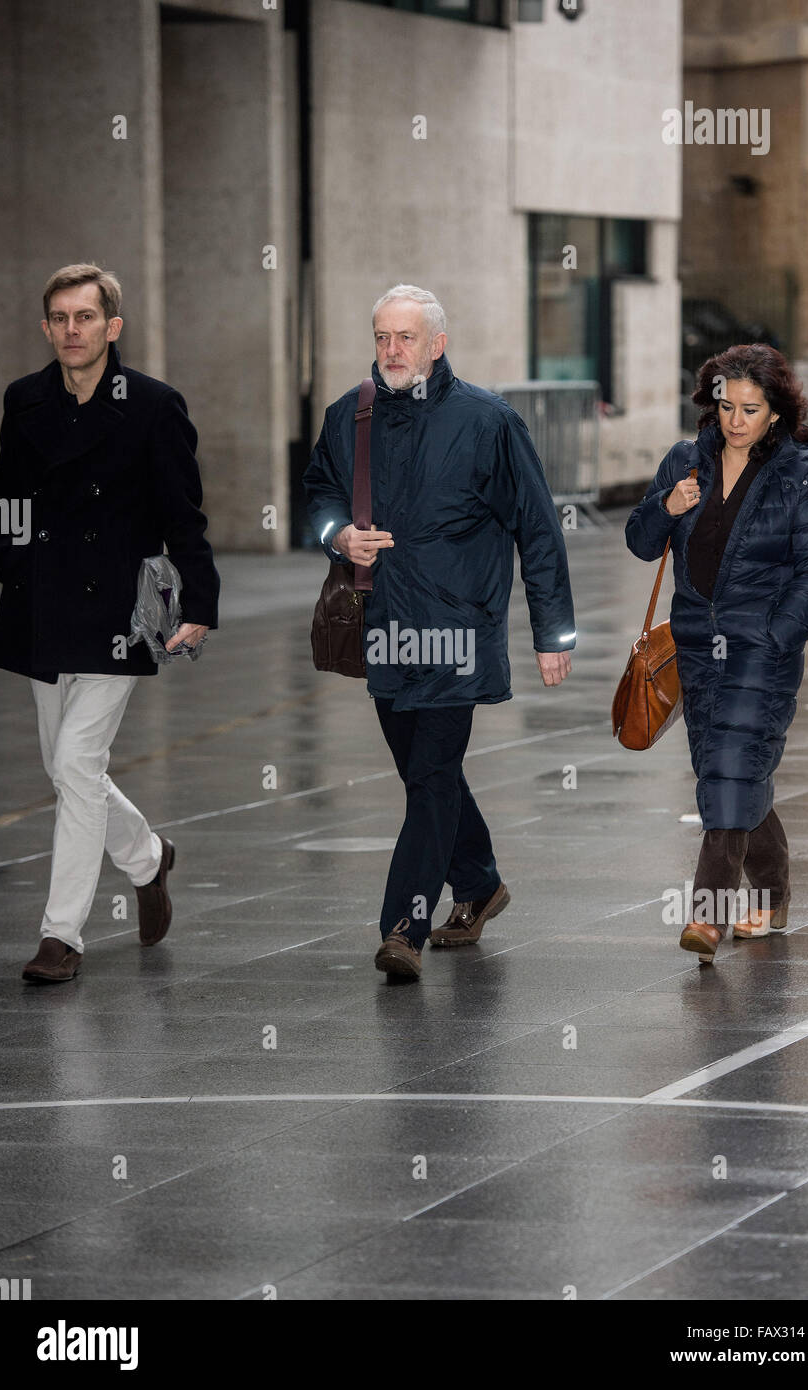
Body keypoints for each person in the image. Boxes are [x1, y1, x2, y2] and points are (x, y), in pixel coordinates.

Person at [304, 284, 575, 980]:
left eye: (406, 338)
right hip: (384, 628)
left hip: (460, 631)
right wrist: (340, 536)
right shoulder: (349, 416)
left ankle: (403, 927)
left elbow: (538, 529)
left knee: (428, 777)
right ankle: (480, 883)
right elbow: (319, 491)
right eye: (381, 338)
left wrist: (554, 634)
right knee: (427, 773)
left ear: (438, 344)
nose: (392, 352)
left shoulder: (489, 421)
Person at [0, 263, 220, 983]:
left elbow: (185, 513)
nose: (70, 331)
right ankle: (150, 859)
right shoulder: (25, 399)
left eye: (84, 317)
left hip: (119, 611)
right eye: (58, 318)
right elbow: (6, 494)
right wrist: (9, 562)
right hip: (42, 604)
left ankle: (62, 937)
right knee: (68, 769)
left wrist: (199, 607)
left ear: (112, 326)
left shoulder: (153, 405)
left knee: (77, 765)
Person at [626, 344, 808, 963]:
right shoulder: (685, 461)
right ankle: (772, 895)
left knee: (730, 770)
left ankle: (707, 915)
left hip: (761, 650)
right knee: (731, 774)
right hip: (695, 645)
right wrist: (667, 507)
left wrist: (780, 634)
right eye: (727, 405)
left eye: (751, 408)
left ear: (776, 414)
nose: (736, 419)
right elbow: (642, 542)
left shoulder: (799, 477)